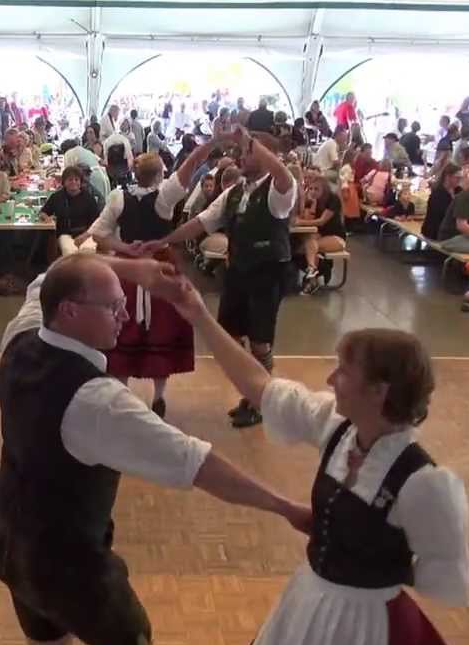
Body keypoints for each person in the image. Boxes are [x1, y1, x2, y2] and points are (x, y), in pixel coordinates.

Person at [0, 252, 308, 645]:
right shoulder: (98, 402)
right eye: (113, 306)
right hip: (64, 563)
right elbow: (199, 465)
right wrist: (285, 507)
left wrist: (133, 271)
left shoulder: (21, 337)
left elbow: (51, 274)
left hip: (6, 540)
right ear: (72, 312)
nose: (126, 316)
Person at [166, 278, 469, 645]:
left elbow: (441, 577)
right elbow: (259, 386)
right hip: (309, 600)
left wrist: (367, 554)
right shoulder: (337, 427)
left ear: (379, 391)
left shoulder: (426, 484)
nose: (330, 378)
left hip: (366, 629)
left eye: (343, 370)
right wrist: (198, 314)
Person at [156, 129, 298, 428]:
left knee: (260, 343)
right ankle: (253, 390)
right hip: (239, 271)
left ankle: (260, 402)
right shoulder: (235, 191)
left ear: (263, 155)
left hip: (267, 273)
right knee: (230, 336)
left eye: (247, 153)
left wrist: (251, 142)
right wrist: (164, 241)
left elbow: (282, 172)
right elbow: (201, 222)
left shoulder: (279, 189)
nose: (240, 157)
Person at [86, 142, 212, 417]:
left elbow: (98, 233)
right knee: (161, 329)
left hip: (128, 267)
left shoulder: (119, 197)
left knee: (123, 328)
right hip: (160, 266)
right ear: (159, 175)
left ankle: (122, 396)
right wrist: (212, 143)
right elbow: (189, 168)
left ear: (134, 171)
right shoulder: (164, 196)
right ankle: (159, 397)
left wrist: (124, 248)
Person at [295, 176, 348, 295]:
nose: (313, 191)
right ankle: (313, 274)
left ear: (324, 189)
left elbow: (321, 221)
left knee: (309, 246)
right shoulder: (312, 200)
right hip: (319, 235)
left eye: (316, 189)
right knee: (306, 243)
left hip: (336, 237)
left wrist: (300, 222)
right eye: (311, 188)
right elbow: (308, 218)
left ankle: (313, 272)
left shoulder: (333, 199)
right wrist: (311, 203)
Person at [40, 165, 101, 243]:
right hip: (64, 234)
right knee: (69, 251)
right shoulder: (57, 197)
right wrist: (46, 218)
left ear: (80, 182)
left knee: (87, 251)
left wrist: (85, 236)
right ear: (64, 182)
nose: (74, 182)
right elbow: (43, 212)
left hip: (85, 233)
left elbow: (96, 222)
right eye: (70, 180)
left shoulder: (89, 198)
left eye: (76, 179)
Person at [421, 164, 460, 241]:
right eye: (457, 177)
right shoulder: (438, 193)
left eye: (460, 178)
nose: (459, 180)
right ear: (447, 176)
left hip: (448, 229)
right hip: (435, 231)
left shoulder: (458, 190)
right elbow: (442, 215)